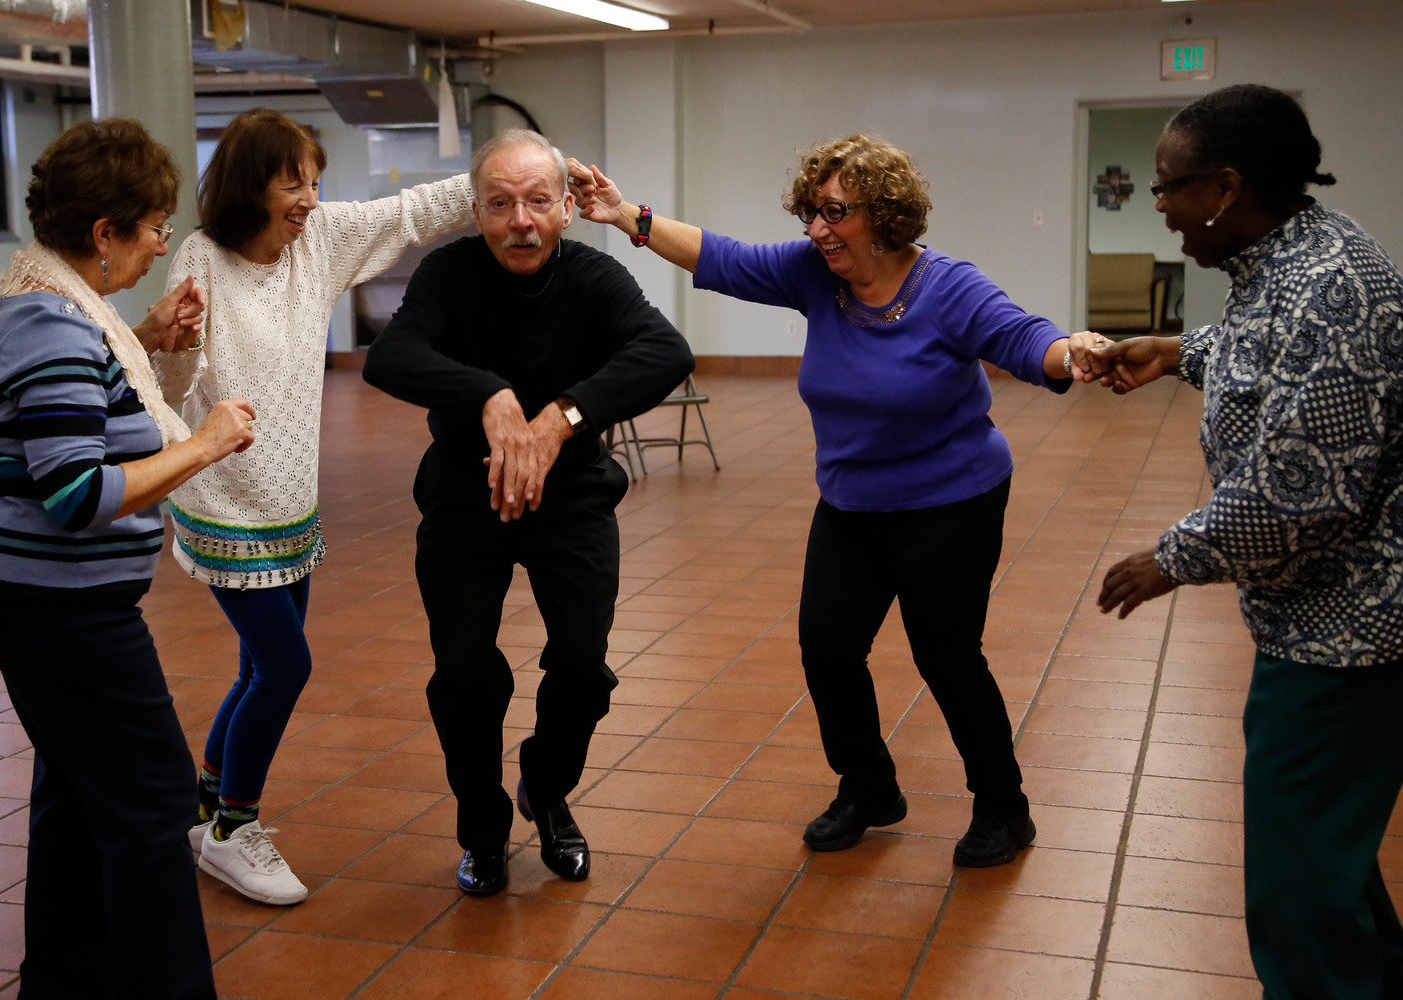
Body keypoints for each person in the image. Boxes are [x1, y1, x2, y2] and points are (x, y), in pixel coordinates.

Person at [571, 135, 1101, 867]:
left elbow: (1023, 339)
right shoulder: (817, 274)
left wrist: (1071, 352)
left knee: (947, 657)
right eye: (810, 213)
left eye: (834, 213)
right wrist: (623, 213)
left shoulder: (949, 287)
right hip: (853, 502)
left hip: (951, 500)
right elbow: (720, 256)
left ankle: (1004, 810)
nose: (817, 230)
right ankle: (869, 788)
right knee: (827, 648)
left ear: (883, 217)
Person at [1091, 84, 1403, 1000]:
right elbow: (1265, 349)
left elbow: (1301, 491)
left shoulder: (1335, 282)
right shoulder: (1291, 261)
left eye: (1168, 188)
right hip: (1317, 621)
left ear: (1225, 188)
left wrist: (1168, 559)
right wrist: (1173, 348)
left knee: (1299, 886)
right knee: (1329, 860)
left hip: (1353, 632)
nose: (1161, 208)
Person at [0, 118, 256, 1000]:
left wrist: (149, 338)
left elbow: (93, 412)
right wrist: (204, 444)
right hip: (58, 607)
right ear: (104, 234)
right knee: (150, 803)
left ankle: (61, 979)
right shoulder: (50, 325)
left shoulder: (53, 305)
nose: (162, 247)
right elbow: (79, 495)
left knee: (79, 794)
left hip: (36, 596)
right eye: (156, 228)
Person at [152, 108, 474, 906]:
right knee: (285, 665)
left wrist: (504, 182)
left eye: (313, 179)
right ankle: (235, 828)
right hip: (222, 497)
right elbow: (169, 394)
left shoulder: (319, 240)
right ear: (246, 184)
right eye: (290, 180)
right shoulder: (201, 258)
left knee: (259, 664)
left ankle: (203, 808)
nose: (308, 196)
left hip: (289, 499)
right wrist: (181, 342)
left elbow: (409, 212)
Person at [361, 129, 694, 896]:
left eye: (539, 202)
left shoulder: (592, 277)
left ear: (567, 208)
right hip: (463, 493)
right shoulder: (448, 274)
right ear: (477, 211)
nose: (522, 221)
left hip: (572, 493)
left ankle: (545, 790)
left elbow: (665, 350)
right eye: (503, 203)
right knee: (465, 674)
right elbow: (392, 355)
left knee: (582, 665)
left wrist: (561, 418)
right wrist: (488, 393)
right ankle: (482, 826)